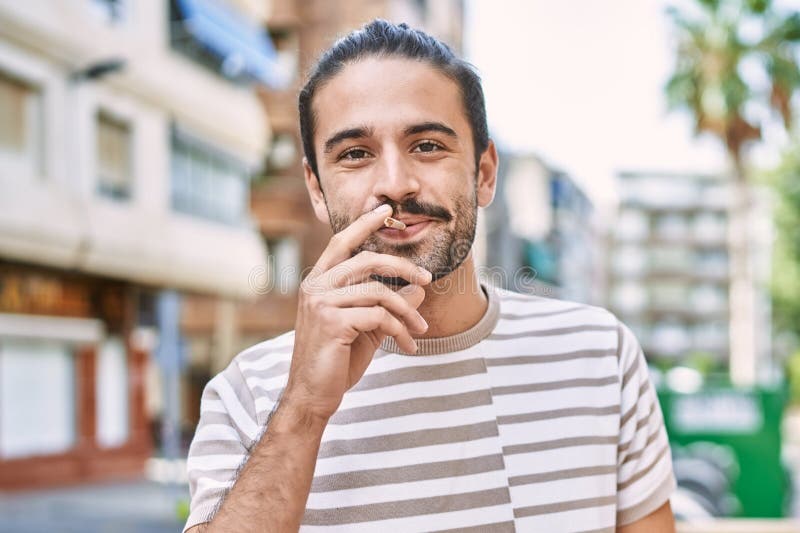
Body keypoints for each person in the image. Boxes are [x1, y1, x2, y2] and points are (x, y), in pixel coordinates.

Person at [184, 19, 676, 533]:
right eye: (355, 154)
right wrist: (304, 407)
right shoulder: (247, 394)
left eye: (427, 146)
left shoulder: (601, 355)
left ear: (484, 172)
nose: (395, 184)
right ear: (316, 189)